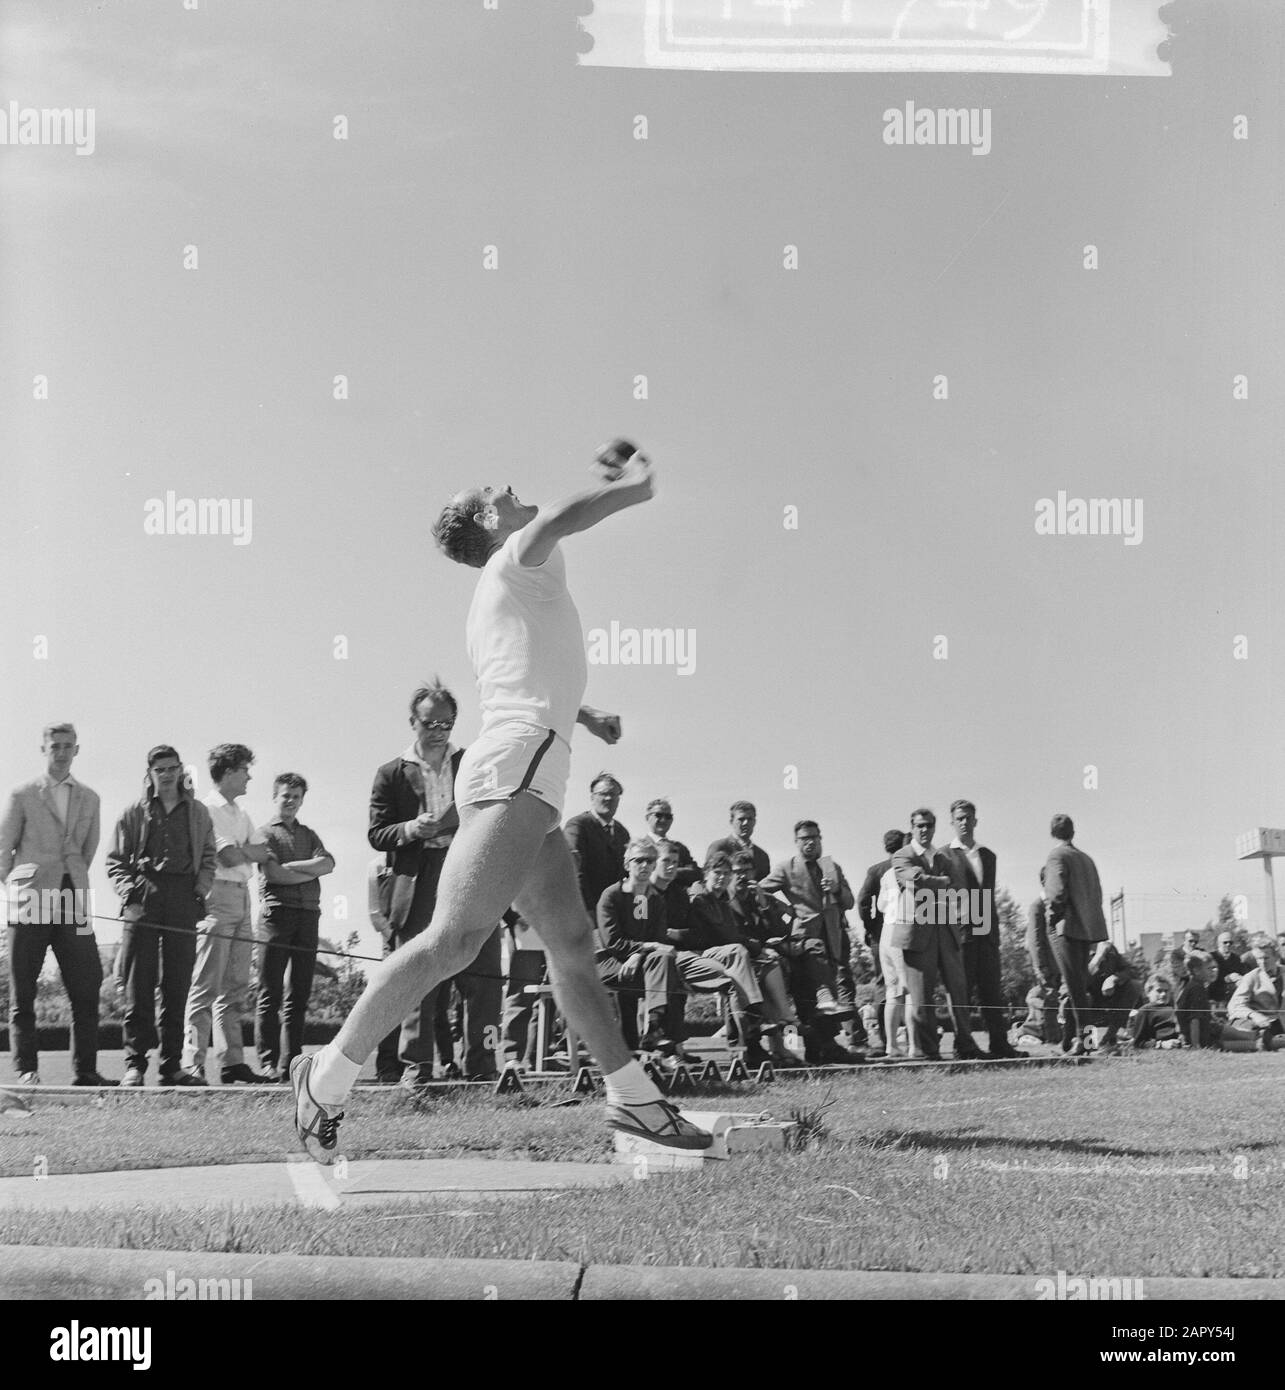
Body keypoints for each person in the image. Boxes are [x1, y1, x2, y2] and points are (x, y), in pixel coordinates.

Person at [291, 446, 711, 1159]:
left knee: (573, 945)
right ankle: (325, 1078)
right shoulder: (517, 554)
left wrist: (590, 717)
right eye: (493, 489)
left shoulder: (502, 590)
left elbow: (530, 676)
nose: (509, 485)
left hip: (528, 769)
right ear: (489, 518)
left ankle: (634, 1101)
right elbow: (563, 514)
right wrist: (636, 488)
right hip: (518, 769)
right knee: (454, 940)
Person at [368, 682, 503, 1085]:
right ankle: (417, 1069)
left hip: (471, 869)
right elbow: (377, 833)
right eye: (430, 722)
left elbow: (497, 811)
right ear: (413, 722)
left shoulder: (474, 763)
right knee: (418, 974)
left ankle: (483, 1068)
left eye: (447, 722)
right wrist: (411, 828)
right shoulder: (390, 773)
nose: (439, 730)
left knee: (484, 974)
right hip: (420, 873)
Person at [0, 723, 111, 1087]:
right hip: (29, 902)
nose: (61, 752)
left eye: (67, 746)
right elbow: (4, 850)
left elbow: (88, 850)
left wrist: (72, 881)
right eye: (55, 746)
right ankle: (26, 1070)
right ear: (43, 749)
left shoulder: (90, 798)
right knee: (24, 989)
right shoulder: (23, 794)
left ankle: (86, 1071)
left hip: (73, 901)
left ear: (76, 750)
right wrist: (18, 889)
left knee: (87, 982)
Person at [106, 746, 218, 1087]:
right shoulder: (134, 812)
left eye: (172, 768)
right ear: (150, 774)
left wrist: (200, 889)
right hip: (145, 895)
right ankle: (134, 1065)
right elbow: (115, 860)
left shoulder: (197, 812)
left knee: (178, 984)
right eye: (160, 769)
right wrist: (130, 894)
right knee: (139, 985)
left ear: (180, 770)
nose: (167, 775)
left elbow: (210, 856)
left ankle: (171, 1066)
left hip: (184, 896)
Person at [181, 744, 276, 1086]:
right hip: (217, 896)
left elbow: (260, 852)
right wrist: (246, 852)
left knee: (236, 987)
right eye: (245, 769)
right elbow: (230, 857)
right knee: (205, 985)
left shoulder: (241, 812)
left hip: (242, 897)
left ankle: (232, 1062)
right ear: (229, 771)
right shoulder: (206, 809)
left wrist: (245, 852)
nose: (249, 775)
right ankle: (192, 1062)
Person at [758, 821, 861, 1065]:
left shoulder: (831, 866)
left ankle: (823, 1048)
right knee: (812, 996)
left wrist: (836, 889)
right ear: (796, 842)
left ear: (820, 838)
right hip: (804, 942)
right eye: (805, 838)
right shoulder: (787, 867)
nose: (810, 842)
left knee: (826, 993)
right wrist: (785, 913)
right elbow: (760, 891)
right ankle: (823, 1046)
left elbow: (849, 902)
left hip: (832, 939)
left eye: (814, 837)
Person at [255, 773, 335, 1082]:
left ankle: (293, 1062)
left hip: (308, 916)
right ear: (275, 797)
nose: (291, 801)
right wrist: (308, 871)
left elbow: (328, 864)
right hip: (275, 917)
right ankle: (267, 1062)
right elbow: (273, 875)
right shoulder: (263, 833)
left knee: (299, 993)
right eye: (286, 795)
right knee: (269, 992)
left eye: (297, 796)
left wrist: (292, 869)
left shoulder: (310, 834)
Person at [891, 808, 981, 1060]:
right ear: (912, 827)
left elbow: (959, 888)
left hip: (947, 930)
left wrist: (939, 885)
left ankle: (965, 1044)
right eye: (920, 825)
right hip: (917, 934)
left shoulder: (943, 857)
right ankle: (927, 1051)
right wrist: (941, 883)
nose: (925, 830)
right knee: (921, 996)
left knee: (959, 990)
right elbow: (915, 879)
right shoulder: (902, 855)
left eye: (929, 825)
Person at [669, 852, 770, 1066]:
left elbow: (730, 933)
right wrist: (754, 945)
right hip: (697, 953)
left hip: (716, 952)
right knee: (739, 953)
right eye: (718, 873)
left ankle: (747, 1041)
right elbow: (723, 935)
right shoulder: (700, 897)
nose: (723, 878)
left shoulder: (722, 900)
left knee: (746, 969)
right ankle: (754, 1020)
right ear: (706, 874)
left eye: (726, 873)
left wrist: (758, 947)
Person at [595, 840, 687, 1056]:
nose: (645, 866)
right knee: (668, 975)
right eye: (639, 860)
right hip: (609, 961)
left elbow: (658, 940)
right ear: (627, 864)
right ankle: (667, 1045)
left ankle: (654, 1028)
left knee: (666, 962)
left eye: (650, 860)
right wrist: (642, 950)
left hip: (642, 964)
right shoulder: (612, 895)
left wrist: (639, 954)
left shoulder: (654, 899)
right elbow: (613, 942)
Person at [943, 800, 1018, 1059]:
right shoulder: (943, 855)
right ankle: (963, 1045)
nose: (964, 822)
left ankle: (1000, 1043)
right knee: (961, 991)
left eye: (968, 818)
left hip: (986, 930)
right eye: (959, 818)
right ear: (952, 822)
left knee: (991, 990)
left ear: (976, 821)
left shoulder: (988, 855)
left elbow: (987, 895)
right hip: (960, 931)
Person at [1042, 814, 1109, 1057]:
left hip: (1066, 928)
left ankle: (1085, 1042)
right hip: (1086, 929)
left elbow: (1055, 892)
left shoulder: (1056, 856)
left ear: (1052, 833)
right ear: (1073, 832)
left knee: (1075, 988)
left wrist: (1052, 917)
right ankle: (1071, 1040)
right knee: (1077, 987)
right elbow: (1096, 894)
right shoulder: (1086, 859)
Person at [856, 829, 907, 1058]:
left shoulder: (876, 870)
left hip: (881, 934)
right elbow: (864, 901)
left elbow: (864, 902)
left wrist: (870, 927)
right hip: (898, 931)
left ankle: (887, 1041)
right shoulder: (899, 868)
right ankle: (901, 1040)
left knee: (884, 987)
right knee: (902, 986)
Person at [564, 774, 630, 915]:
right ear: (592, 797)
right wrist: (590, 909)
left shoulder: (622, 832)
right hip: (586, 910)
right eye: (603, 794)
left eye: (613, 794)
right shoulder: (578, 825)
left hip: (614, 910)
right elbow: (575, 870)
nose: (608, 798)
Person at [1227, 934, 1285, 1051]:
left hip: (1280, 1023)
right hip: (1258, 1024)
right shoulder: (1252, 977)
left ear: (1276, 956)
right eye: (1258, 959)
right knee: (1262, 1038)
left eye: (1266, 958)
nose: (1262, 962)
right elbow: (1236, 1005)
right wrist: (1254, 1016)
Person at [641, 799, 700, 889]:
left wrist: (668, 871)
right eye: (658, 815)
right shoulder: (640, 847)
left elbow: (695, 873)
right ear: (647, 818)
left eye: (668, 816)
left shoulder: (680, 848)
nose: (663, 820)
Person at [706, 801, 771, 881]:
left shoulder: (762, 856)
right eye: (741, 819)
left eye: (750, 819)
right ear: (731, 822)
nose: (745, 823)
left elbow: (764, 887)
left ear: (754, 822)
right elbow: (706, 877)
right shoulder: (719, 847)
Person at [1174, 952, 1222, 1050]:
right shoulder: (1196, 989)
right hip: (1201, 1037)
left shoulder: (1197, 985)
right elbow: (1194, 1019)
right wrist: (1196, 1045)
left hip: (1207, 1029)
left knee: (1239, 1033)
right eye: (1210, 968)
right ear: (1196, 971)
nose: (1215, 971)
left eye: (1215, 967)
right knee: (1244, 1042)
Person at [1127, 975, 1183, 1049]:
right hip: (1166, 1045)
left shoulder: (1172, 1008)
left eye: (1166, 991)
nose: (1163, 994)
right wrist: (1161, 1044)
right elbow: (1138, 1042)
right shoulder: (1146, 1010)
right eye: (1159, 991)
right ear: (1148, 992)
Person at [1209, 931, 1247, 1005]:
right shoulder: (1211, 957)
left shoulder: (1236, 958)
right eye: (1225, 942)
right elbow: (1207, 977)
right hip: (1215, 996)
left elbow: (1242, 974)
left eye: (1230, 942)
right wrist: (1226, 978)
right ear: (1218, 943)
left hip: (1232, 997)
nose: (1228, 944)